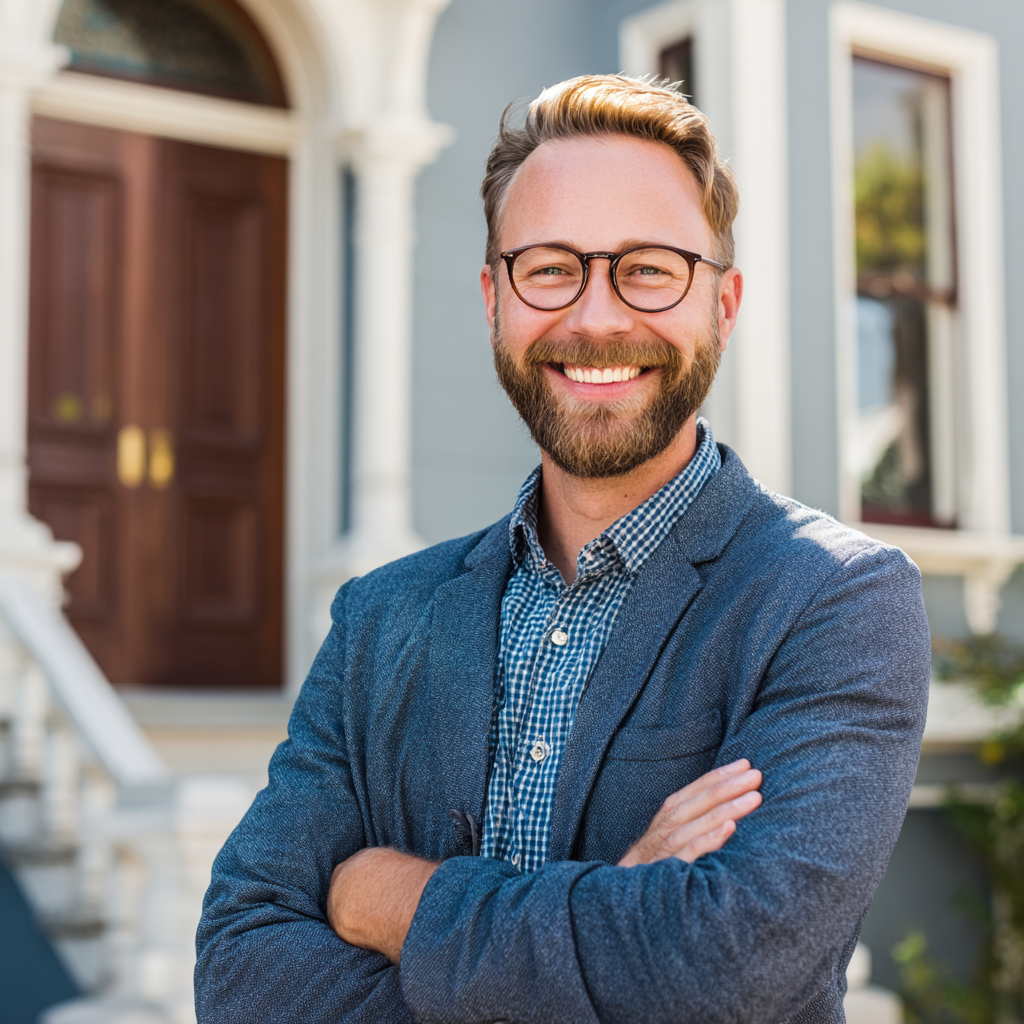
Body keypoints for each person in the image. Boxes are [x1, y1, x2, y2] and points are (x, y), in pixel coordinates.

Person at [195, 75, 930, 1024]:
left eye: (650, 268)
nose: (596, 317)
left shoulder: (833, 602)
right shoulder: (379, 617)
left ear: (725, 303)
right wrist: (616, 913)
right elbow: (240, 968)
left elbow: (727, 969)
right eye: (550, 267)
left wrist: (384, 896)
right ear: (495, 298)